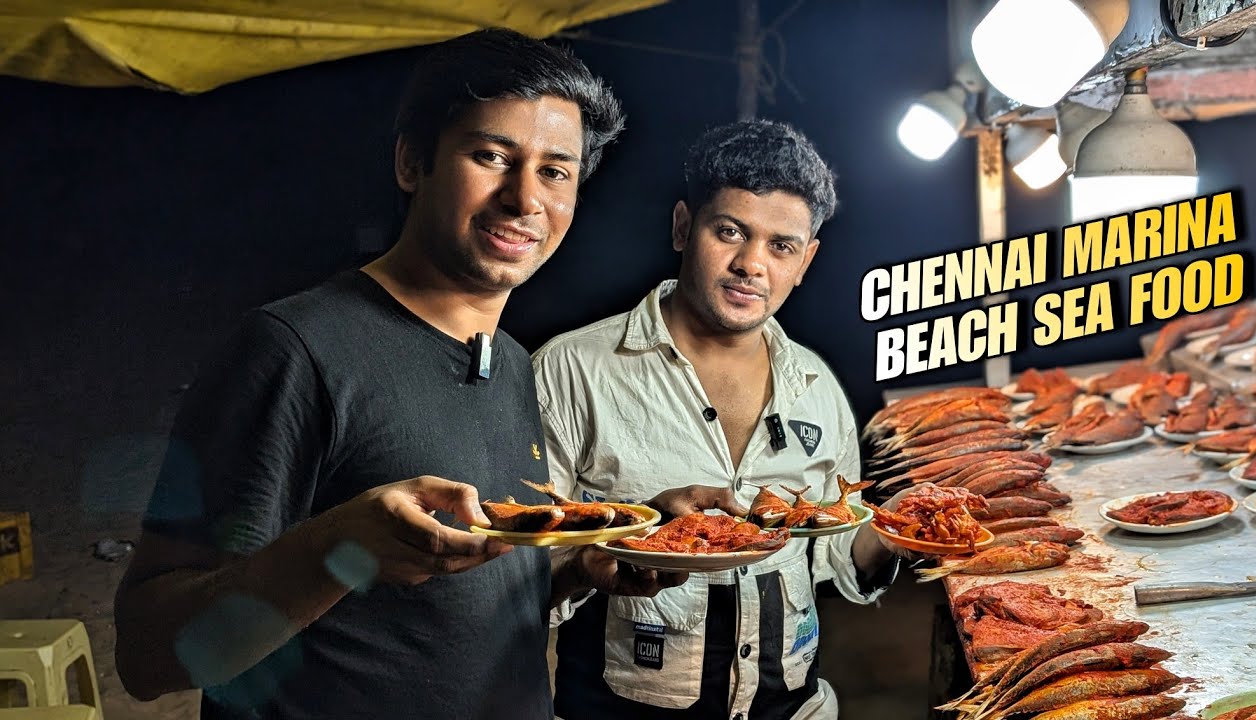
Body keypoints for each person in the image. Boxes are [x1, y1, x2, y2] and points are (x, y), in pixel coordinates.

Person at [113, 28, 686, 720]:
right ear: (412, 162)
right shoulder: (293, 350)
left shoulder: (510, 362)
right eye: (491, 156)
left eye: (555, 172)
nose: (524, 198)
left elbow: (452, 603)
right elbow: (146, 653)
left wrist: (585, 564)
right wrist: (336, 548)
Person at [533, 119, 916, 719]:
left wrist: (900, 528)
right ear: (683, 227)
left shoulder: (815, 386)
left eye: (781, 246)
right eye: (730, 231)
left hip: (795, 708)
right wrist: (616, 546)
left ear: (806, 260)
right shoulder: (572, 369)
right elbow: (516, 570)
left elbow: (839, 556)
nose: (751, 264)